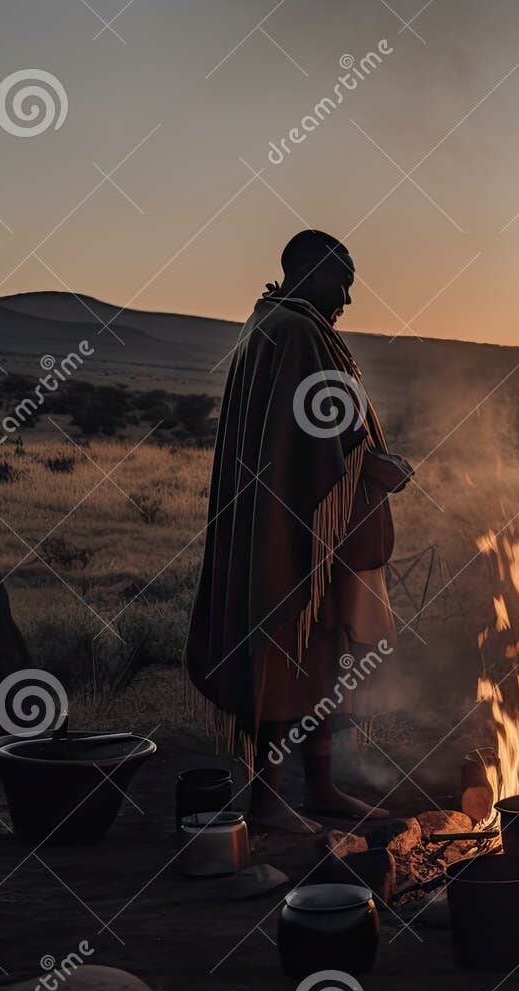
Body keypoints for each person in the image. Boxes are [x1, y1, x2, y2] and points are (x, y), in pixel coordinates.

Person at [186, 230, 412, 831]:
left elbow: (320, 422)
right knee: (286, 652)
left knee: (320, 653)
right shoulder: (292, 332)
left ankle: (319, 790)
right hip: (291, 529)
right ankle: (267, 805)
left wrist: (359, 461)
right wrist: (371, 466)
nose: (347, 298)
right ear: (310, 269)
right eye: (344, 282)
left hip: (301, 524)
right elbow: (314, 441)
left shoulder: (278, 325)